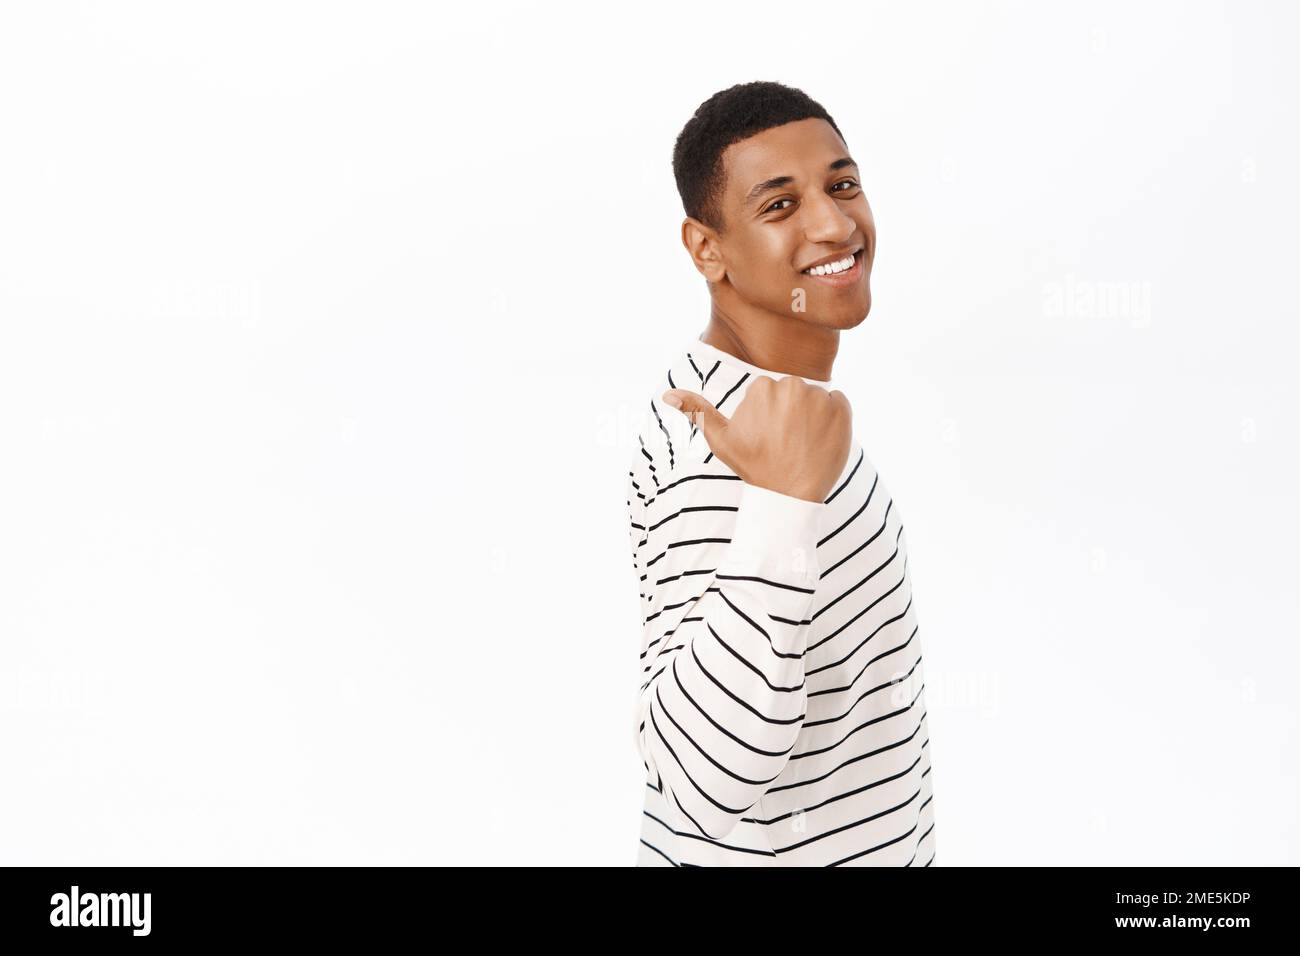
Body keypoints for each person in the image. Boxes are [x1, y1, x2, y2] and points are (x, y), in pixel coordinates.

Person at [626, 81, 937, 866]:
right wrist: (776, 505)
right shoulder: (722, 463)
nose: (835, 224)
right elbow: (698, 779)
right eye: (779, 206)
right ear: (707, 248)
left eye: (842, 185)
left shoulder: (781, 415)